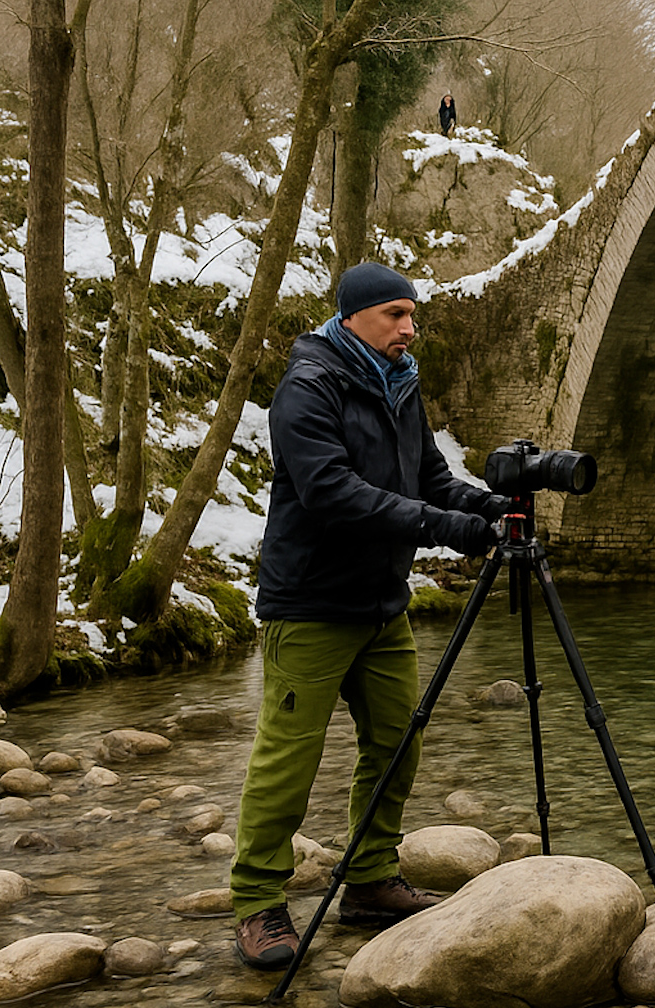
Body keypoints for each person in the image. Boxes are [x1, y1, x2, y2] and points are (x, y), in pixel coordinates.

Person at [229, 261, 509, 970]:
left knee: (396, 741)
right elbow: (334, 495)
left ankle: (369, 881)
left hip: (383, 607)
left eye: (413, 316)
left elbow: (432, 479)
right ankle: (258, 901)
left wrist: (490, 508)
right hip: (312, 607)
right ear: (353, 315)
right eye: (395, 315)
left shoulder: (400, 384)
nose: (409, 329)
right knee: (288, 760)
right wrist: (449, 530)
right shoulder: (308, 387)